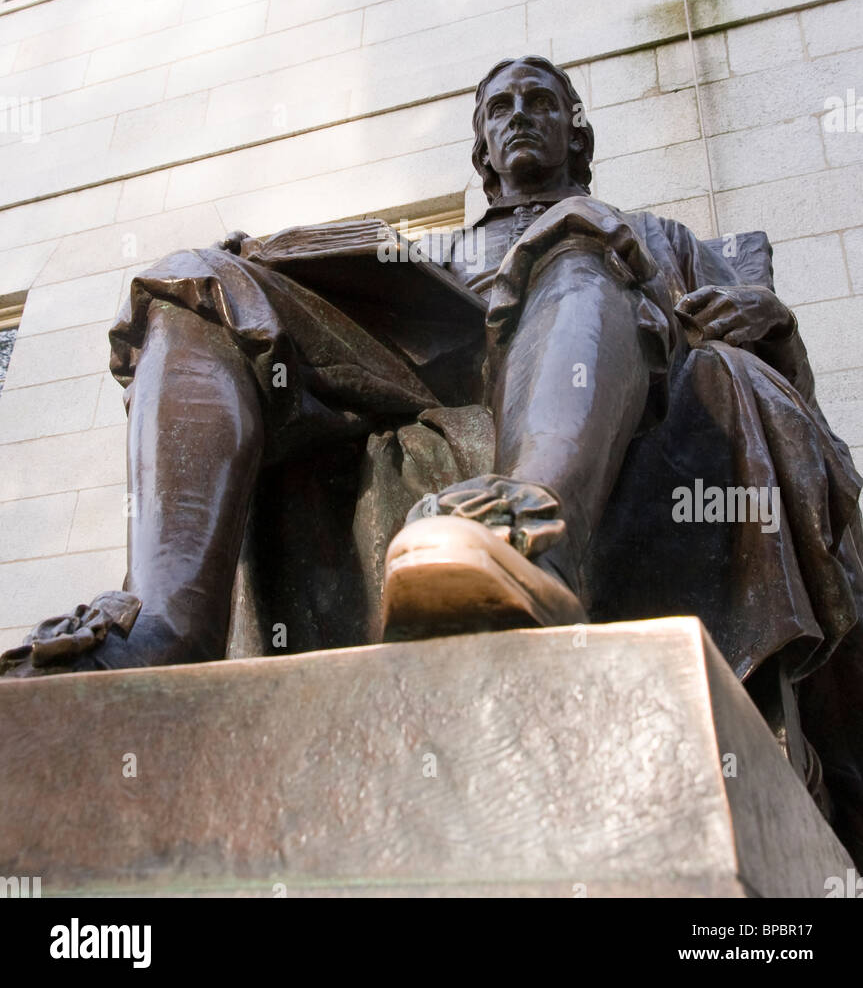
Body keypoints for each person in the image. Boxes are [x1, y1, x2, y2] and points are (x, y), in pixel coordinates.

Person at [4, 55, 862, 864]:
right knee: (198, 278)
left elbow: (769, 381)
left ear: (579, 137)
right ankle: (160, 630)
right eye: (500, 108)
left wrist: (774, 331)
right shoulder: (434, 255)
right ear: (481, 153)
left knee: (577, 241)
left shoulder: (654, 234)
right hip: (425, 377)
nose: (519, 116)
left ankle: (531, 539)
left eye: (540, 102)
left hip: (608, 380)